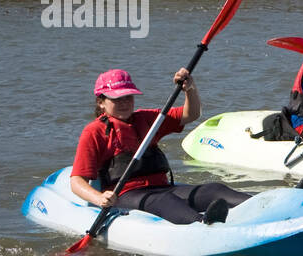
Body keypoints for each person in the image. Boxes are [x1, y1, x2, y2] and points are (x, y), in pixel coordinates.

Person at [70, 68, 253, 225]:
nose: (125, 103)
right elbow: (77, 181)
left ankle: (264, 206)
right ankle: (204, 227)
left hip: (161, 187)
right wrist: (99, 198)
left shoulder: (147, 119)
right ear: (101, 102)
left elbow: (191, 114)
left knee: (215, 189)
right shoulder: (94, 131)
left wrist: (189, 89)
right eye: (117, 99)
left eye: (128, 97)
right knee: (164, 200)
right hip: (126, 195)